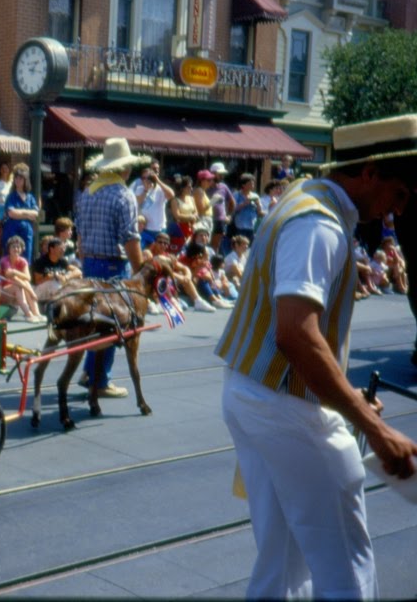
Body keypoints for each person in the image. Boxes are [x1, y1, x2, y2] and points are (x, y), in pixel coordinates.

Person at [217, 114, 417, 599]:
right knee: (346, 562)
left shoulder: (302, 199)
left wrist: (348, 400)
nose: (395, 211)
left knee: (284, 564)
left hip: (252, 392)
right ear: (369, 173)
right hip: (288, 409)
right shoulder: (319, 225)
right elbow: (296, 334)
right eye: (399, 194)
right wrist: (375, 428)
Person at [76, 137, 149, 398]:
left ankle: (88, 371)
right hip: (112, 266)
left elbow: (81, 234)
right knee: (112, 322)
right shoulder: (123, 195)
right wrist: (140, 269)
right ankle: (101, 380)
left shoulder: (89, 191)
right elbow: (130, 238)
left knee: (91, 320)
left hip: (89, 262)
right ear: (124, 169)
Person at [0, 236, 45, 322]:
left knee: (25, 283)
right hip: (3, 291)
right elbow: (9, 275)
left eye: (18, 247)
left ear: (22, 249)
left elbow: (28, 277)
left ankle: (36, 313)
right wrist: (31, 292)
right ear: (9, 249)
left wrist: (15, 272)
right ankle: (28, 314)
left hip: (19, 289)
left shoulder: (23, 261)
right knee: (18, 285)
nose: (16, 249)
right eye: (13, 247)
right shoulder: (4, 260)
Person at [130, 158, 174, 248]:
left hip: (159, 228)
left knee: (158, 253)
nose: (145, 180)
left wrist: (157, 180)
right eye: (143, 178)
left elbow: (171, 195)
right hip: (144, 228)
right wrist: (145, 190)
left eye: (148, 178)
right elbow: (137, 202)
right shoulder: (139, 189)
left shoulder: (160, 189)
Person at [1, 163, 38, 265]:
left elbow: (35, 214)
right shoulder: (11, 196)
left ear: (25, 180)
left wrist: (20, 212)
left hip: (26, 234)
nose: (18, 180)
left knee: (26, 260)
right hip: (12, 232)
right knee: (10, 259)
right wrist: (27, 214)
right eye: (16, 178)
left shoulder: (30, 197)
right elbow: (11, 213)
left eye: (21, 178)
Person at [32, 236, 82, 301]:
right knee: (53, 283)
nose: (63, 250)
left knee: (77, 279)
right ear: (52, 249)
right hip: (37, 292)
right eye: (61, 248)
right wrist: (50, 277)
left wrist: (66, 277)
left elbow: (78, 271)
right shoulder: (40, 262)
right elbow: (37, 282)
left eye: (64, 248)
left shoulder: (62, 261)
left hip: (56, 290)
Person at [167, 174, 197, 252]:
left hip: (191, 227)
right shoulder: (175, 200)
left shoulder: (191, 199)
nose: (191, 189)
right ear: (182, 188)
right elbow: (177, 215)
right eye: (189, 187)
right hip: (180, 229)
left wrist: (194, 218)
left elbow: (195, 212)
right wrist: (190, 217)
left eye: (191, 186)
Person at [231, 173, 264, 242]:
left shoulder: (255, 195)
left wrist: (258, 204)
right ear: (243, 185)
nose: (252, 186)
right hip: (240, 225)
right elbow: (233, 209)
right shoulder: (236, 195)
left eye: (253, 184)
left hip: (252, 225)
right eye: (250, 184)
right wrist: (245, 203)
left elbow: (259, 212)